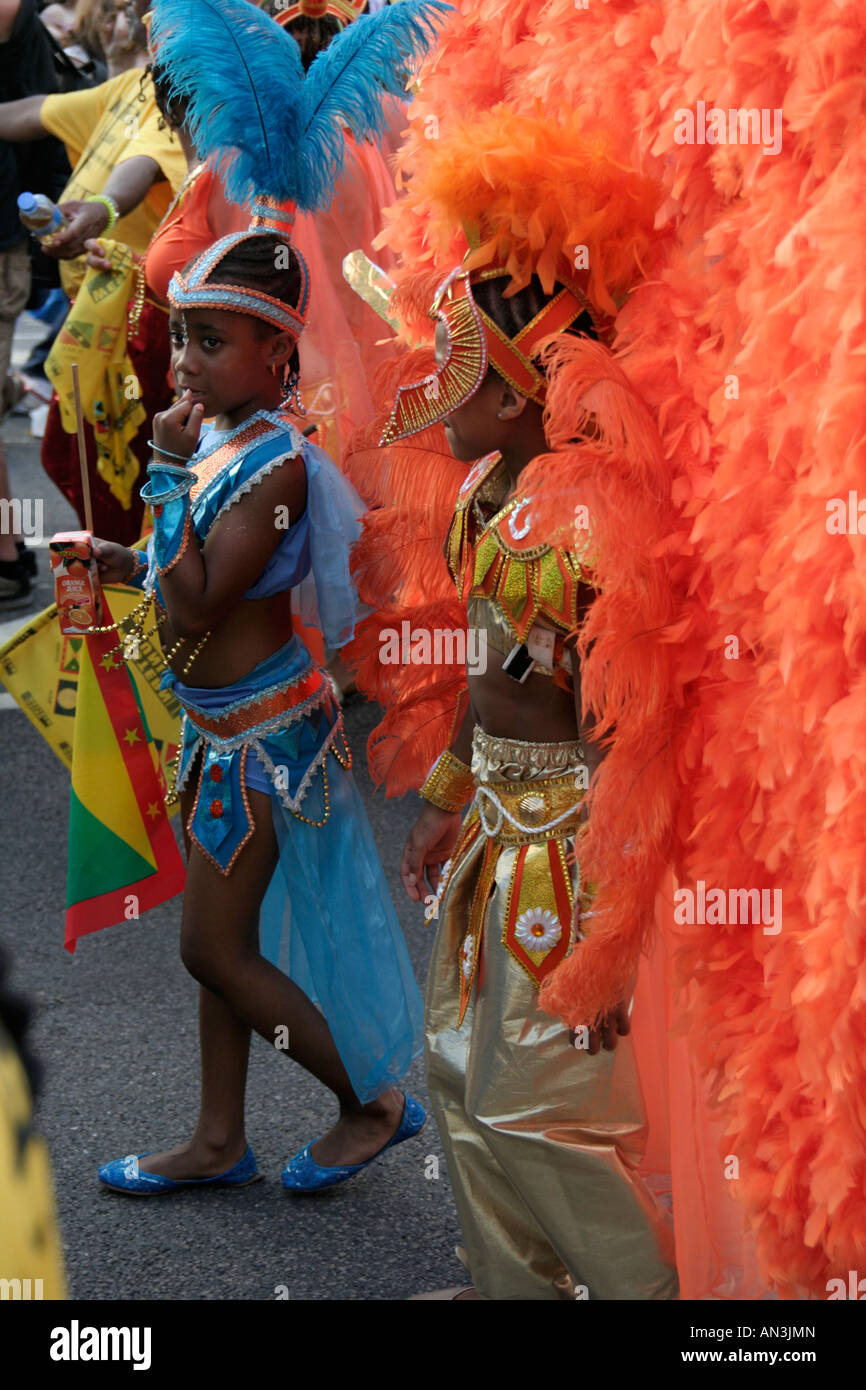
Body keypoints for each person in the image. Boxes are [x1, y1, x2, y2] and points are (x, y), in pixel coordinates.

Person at [343, 109, 680, 1298]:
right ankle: (511, 1287)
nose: (439, 400)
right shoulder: (492, 492)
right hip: (496, 829)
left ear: (539, 385)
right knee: (459, 1085)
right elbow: (496, 679)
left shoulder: (593, 524)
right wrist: (444, 800)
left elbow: (634, 723)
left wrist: (615, 919)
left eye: (465, 375)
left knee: (545, 1114)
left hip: (573, 854)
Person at [89, 224, 426, 1193]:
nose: (186, 361)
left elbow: (198, 599)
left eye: (211, 342)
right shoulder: (221, 442)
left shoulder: (271, 465)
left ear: (276, 353)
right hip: (224, 730)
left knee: (211, 946)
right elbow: (181, 570)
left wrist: (157, 477)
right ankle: (216, 1136)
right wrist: (126, 560)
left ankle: (370, 1100)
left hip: (263, 743)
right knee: (217, 945)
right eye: (183, 337)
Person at [0, 19, 187, 544]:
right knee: (75, 461)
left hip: (143, 325)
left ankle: (127, 587)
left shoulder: (192, 102)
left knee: (105, 469)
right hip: (95, 316)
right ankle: (115, 591)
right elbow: (32, 113)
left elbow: (144, 164)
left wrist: (102, 209)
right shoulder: (133, 86)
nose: (137, 23)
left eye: (151, 12)